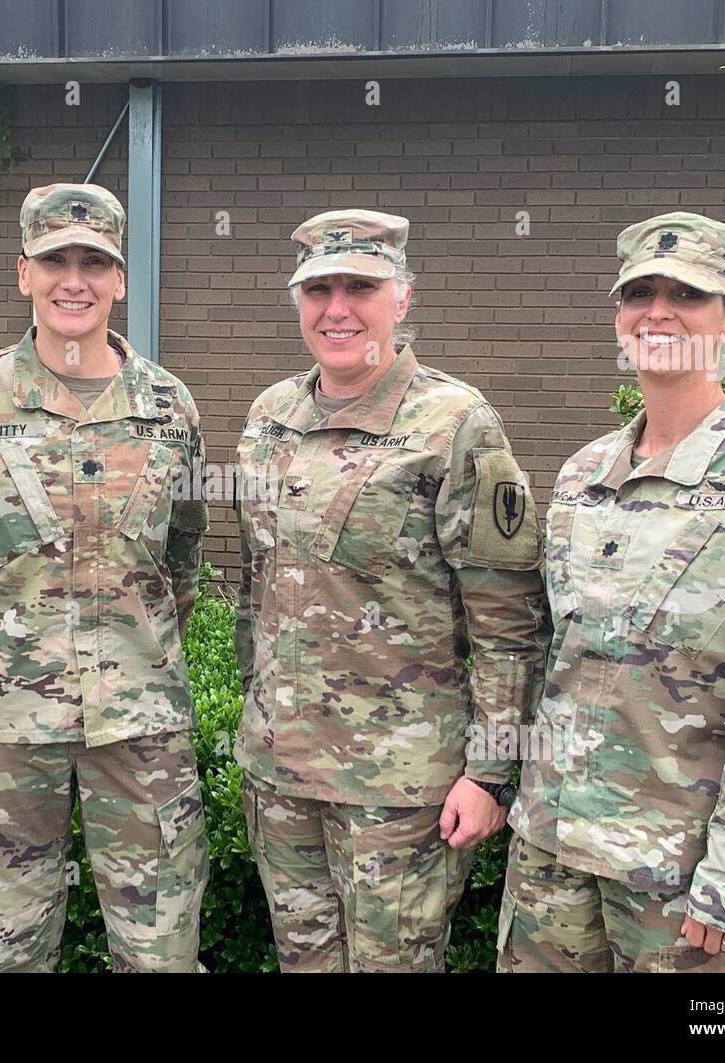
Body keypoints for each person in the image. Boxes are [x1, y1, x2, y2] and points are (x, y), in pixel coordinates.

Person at [500, 211, 725, 973]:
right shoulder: (581, 474)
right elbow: (551, 660)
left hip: (683, 881)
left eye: (686, 295)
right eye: (639, 293)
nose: (658, 311)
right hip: (552, 862)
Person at [233, 209, 548, 972]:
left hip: (401, 786)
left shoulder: (455, 423)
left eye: (361, 287)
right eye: (318, 289)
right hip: (279, 772)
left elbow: (510, 619)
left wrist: (490, 771)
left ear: (401, 299)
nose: (337, 308)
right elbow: (257, 585)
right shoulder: (271, 415)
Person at [0, 182, 210, 972]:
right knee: (10, 957)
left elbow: (182, 562)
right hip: (0, 734)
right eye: (54, 261)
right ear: (23, 272)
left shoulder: (169, 408)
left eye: (92, 262)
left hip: (141, 728)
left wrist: (128, 655)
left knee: (161, 958)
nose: (73, 280)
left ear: (118, 278)